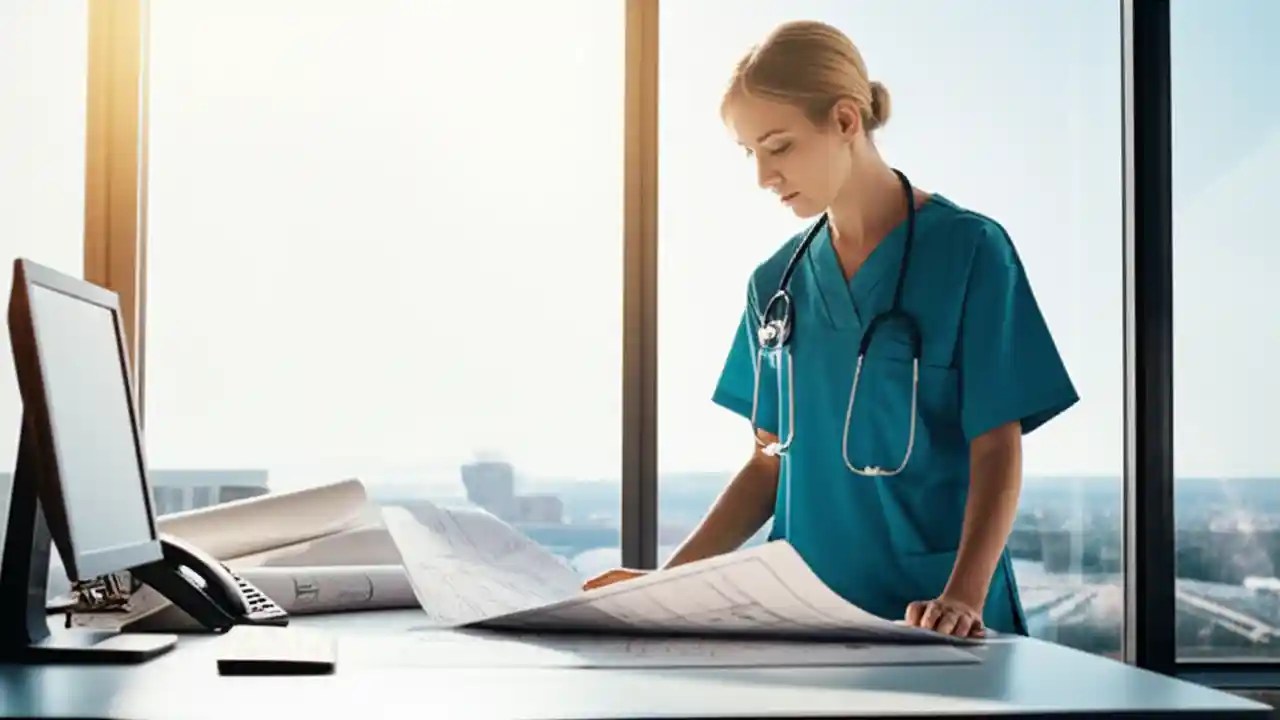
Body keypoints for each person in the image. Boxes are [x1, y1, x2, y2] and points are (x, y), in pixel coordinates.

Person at [583, 20, 1078, 639]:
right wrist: (661, 589)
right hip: (806, 619)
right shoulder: (775, 283)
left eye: (779, 146)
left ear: (846, 121)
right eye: (750, 153)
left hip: (938, 620)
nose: (763, 175)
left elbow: (997, 445)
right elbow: (767, 466)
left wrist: (963, 596)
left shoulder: (972, 251)